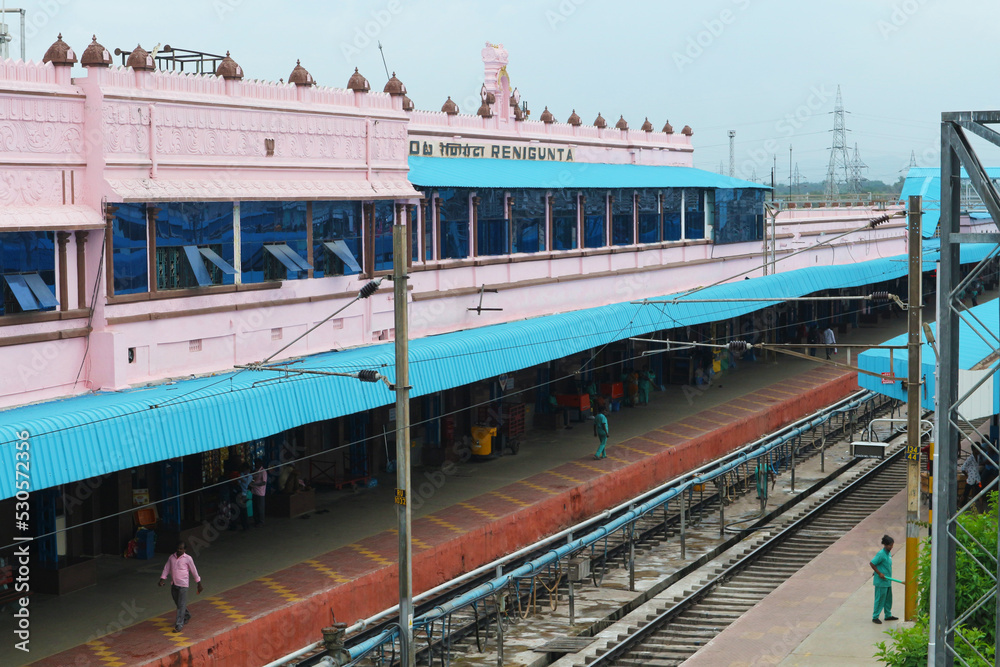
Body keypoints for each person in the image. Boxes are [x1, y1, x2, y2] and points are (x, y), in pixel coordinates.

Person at [158, 541, 203, 633]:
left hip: (183, 585)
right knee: (178, 603)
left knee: (181, 605)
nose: (179, 550)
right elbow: (166, 568)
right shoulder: (171, 557)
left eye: (181, 549)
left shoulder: (188, 559)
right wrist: (162, 579)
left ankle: (179, 624)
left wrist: (198, 583)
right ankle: (187, 615)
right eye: (178, 548)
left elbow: (194, 571)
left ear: (185, 550)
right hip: (174, 584)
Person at [869, 534, 898, 624]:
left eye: (892, 545)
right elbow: (872, 563)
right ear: (885, 545)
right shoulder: (881, 554)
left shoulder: (888, 553)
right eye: (890, 545)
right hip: (881, 581)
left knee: (888, 599)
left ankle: (888, 615)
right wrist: (879, 573)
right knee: (880, 599)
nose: (891, 547)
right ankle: (875, 617)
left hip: (888, 580)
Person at [251, 461, 268, 527]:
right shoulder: (255, 471)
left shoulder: (263, 471)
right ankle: (256, 521)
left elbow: (264, 482)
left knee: (260, 508)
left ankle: (261, 521)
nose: (255, 465)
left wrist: (255, 484)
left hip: (260, 492)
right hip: (254, 491)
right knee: (255, 507)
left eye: (257, 464)